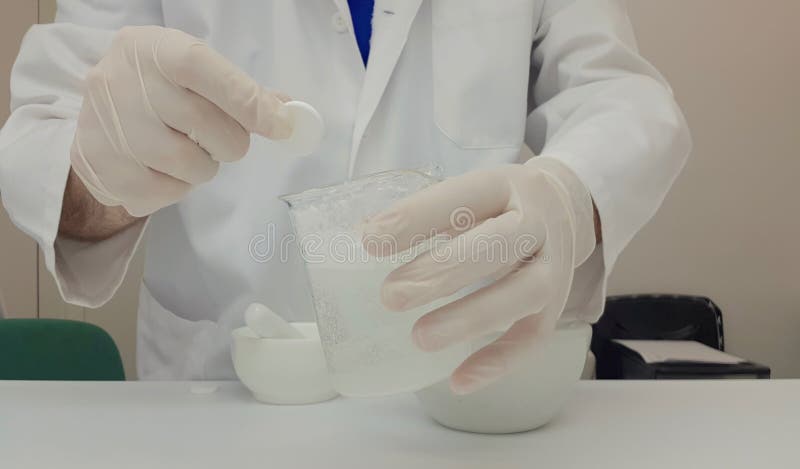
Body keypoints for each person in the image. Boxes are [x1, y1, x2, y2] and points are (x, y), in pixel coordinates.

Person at [0, 0, 690, 392]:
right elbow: (41, 145)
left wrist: (569, 192)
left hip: (462, 408)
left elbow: (623, 97)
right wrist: (102, 173)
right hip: (218, 406)